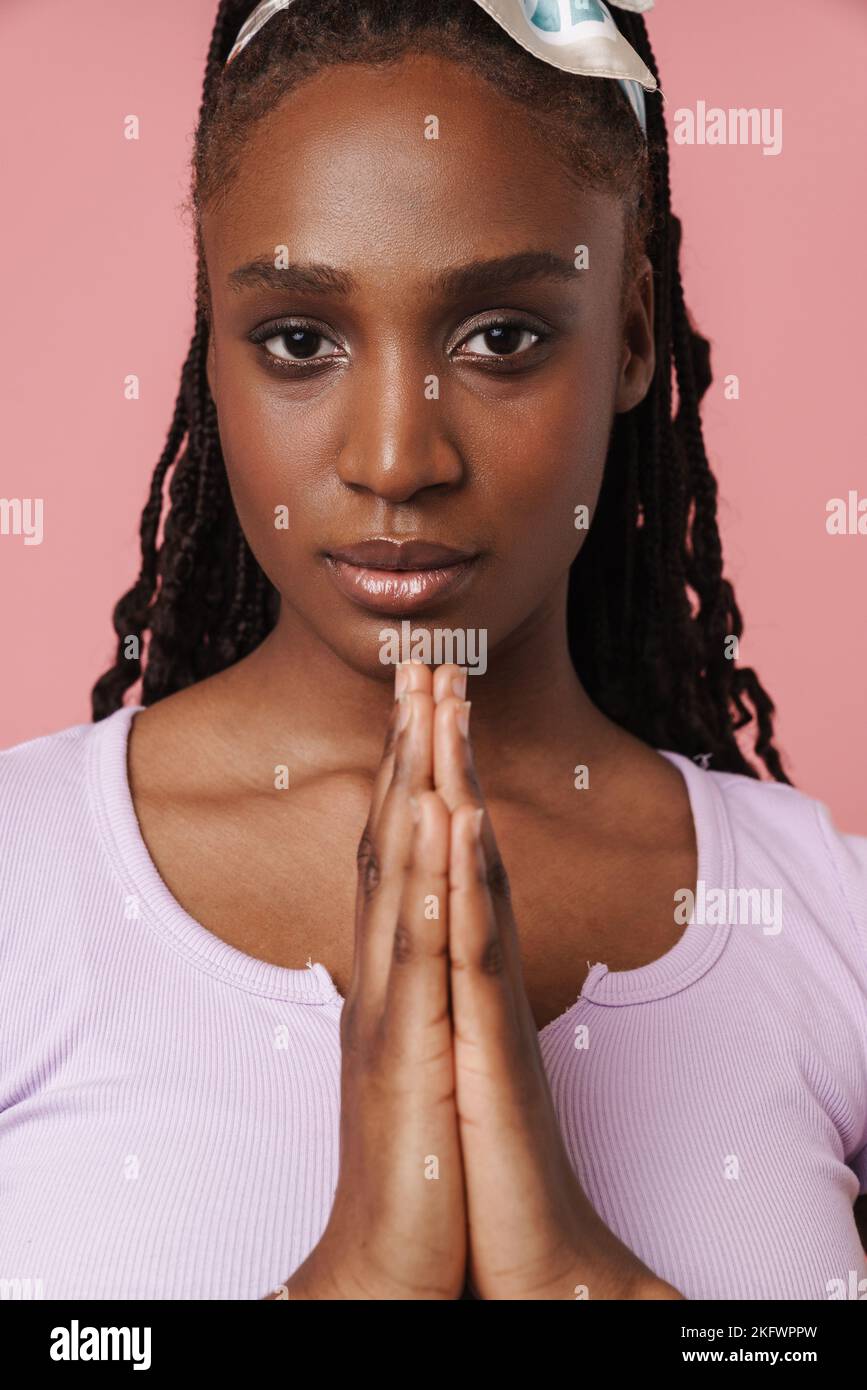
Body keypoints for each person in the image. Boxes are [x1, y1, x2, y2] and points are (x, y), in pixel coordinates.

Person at [1, 0, 865, 1301]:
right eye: (301, 340)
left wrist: (580, 1274)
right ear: (212, 347)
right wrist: (360, 1277)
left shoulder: (830, 924)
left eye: (501, 336)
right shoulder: (22, 884)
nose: (397, 459)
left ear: (631, 334)